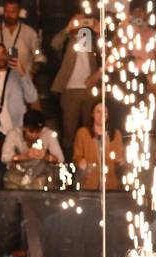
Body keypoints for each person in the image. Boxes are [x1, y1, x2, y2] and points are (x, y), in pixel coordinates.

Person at [49, 8, 101, 151]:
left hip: (91, 89)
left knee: (90, 130)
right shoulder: (68, 38)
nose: (81, 23)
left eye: (84, 20)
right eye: (77, 20)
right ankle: (68, 163)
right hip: (70, 90)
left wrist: (98, 31)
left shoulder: (91, 38)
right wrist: (68, 28)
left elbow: (108, 51)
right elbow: (54, 44)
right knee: (69, 130)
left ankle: (90, 159)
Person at [0, 41, 39, 136]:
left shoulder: (18, 76)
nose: (1, 57)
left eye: (3, 53)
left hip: (16, 128)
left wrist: (22, 73)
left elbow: (32, 97)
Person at [2, 107, 63, 188]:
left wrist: (45, 156)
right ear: (24, 127)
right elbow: (4, 158)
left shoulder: (48, 134)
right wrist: (26, 156)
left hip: (39, 178)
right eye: (31, 131)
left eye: (38, 131)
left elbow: (60, 159)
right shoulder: (13, 134)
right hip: (15, 178)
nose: (34, 135)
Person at [0, 0, 40, 72]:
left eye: (13, 12)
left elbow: (38, 55)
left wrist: (33, 72)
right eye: (7, 11)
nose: (9, 15)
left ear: (19, 12)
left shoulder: (30, 32)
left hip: (22, 78)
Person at [73, 100, 123, 190]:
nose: (101, 115)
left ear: (108, 114)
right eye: (98, 112)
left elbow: (119, 158)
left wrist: (121, 161)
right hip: (89, 182)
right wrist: (81, 161)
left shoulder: (116, 134)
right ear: (92, 114)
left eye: (104, 112)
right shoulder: (83, 133)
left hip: (110, 183)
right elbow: (77, 156)